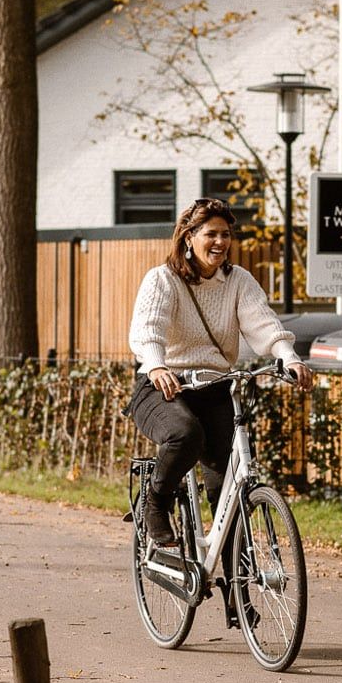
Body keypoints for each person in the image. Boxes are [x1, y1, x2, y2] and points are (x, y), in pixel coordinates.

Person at [129, 197, 314, 549]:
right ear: (189, 237)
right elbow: (148, 330)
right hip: (164, 387)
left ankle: (235, 581)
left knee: (227, 487)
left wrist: (289, 358)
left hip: (215, 388)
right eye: (211, 234)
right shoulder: (163, 279)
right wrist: (156, 365)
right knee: (185, 433)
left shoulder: (238, 280)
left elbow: (265, 325)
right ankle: (155, 502)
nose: (220, 242)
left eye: (226, 234)